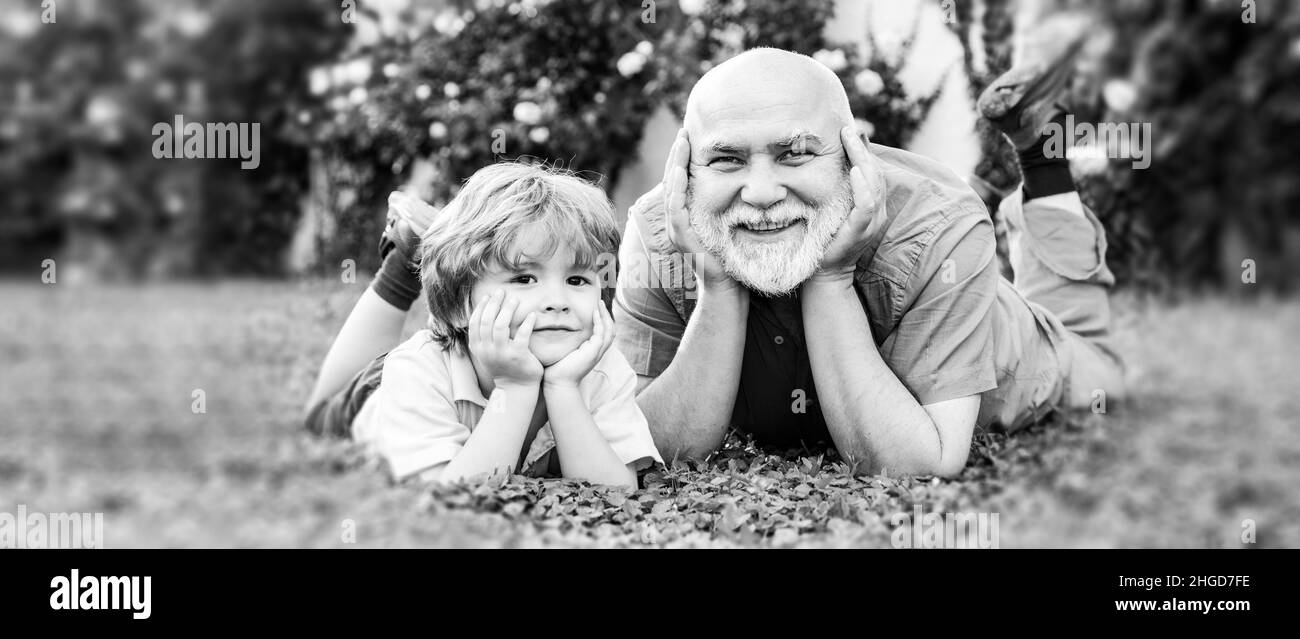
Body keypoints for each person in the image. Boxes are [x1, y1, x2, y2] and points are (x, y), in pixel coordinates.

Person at [614, 19, 1125, 477]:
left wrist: (831, 278)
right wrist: (716, 284)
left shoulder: (941, 227)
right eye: (726, 159)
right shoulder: (661, 232)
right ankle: (1009, 173)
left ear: (850, 155)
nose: (761, 193)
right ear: (686, 166)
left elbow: (921, 463)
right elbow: (639, 444)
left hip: (1012, 344)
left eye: (794, 154)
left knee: (1100, 370)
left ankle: (1043, 161)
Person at [303, 162, 662, 488]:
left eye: (577, 280)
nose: (558, 300)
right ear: (462, 306)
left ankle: (442, 250)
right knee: (320, 418)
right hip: (390, 387)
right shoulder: (416, 373)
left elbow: (617, 492)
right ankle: (404, 261)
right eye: (524, 278)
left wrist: (563, 388)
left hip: (462, 322)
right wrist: (516, 386)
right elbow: (450, 499)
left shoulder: (602, 369)